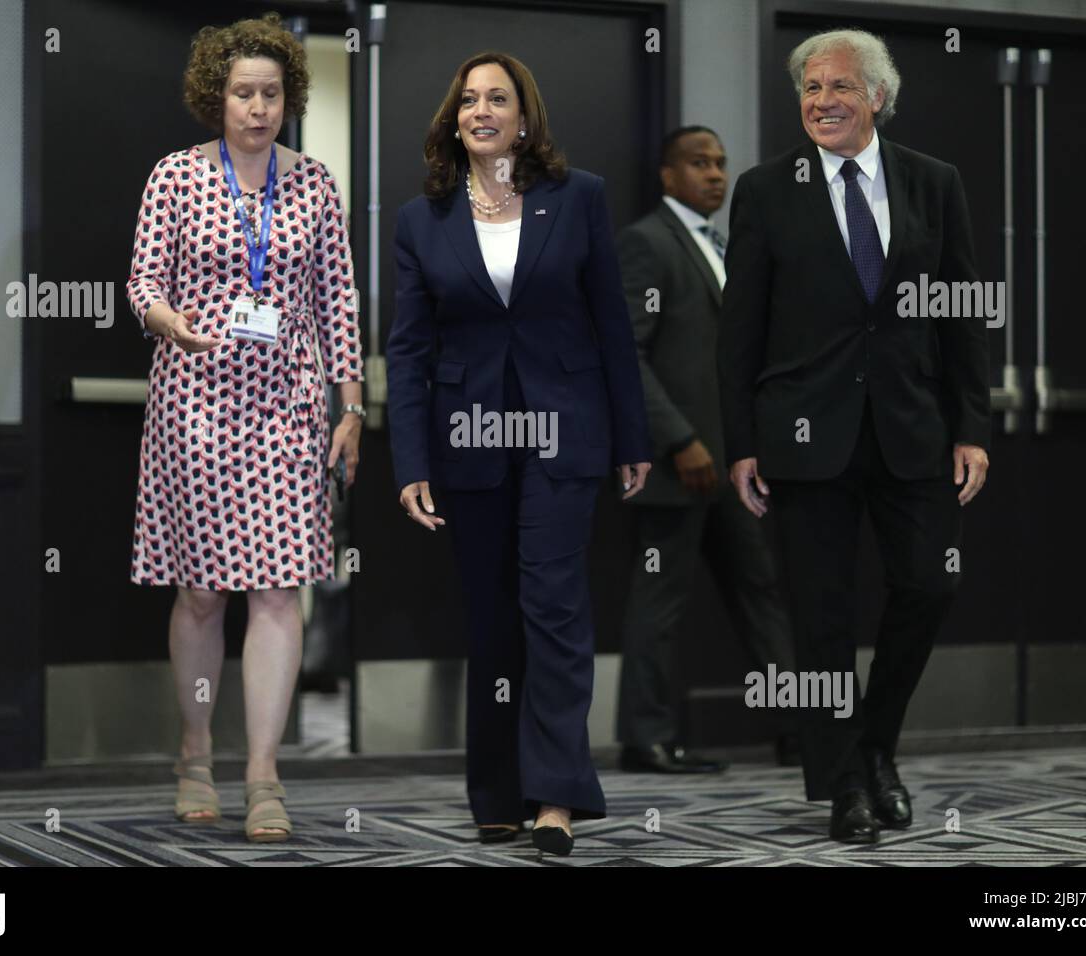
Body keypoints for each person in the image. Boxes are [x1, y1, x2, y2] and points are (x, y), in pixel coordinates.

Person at [719, 29, 990, 843]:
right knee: (823, 617)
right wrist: (741, 442)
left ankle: (875, 743)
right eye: (809, 88)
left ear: (877, 96)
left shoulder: (934, 185)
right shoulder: (766, 190)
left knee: (928, 586)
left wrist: (972, 424)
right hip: (804, 436)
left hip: (912, 427)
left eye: (839, 86)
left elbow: (962, 310)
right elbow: (741, 330)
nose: (821, 101)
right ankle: (845, 783)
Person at [386, 51, 652, 857]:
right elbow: (406, 351)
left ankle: (556, 799)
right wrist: (410, 462)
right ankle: (496, 795)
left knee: (556, 608)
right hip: (465, 438)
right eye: (467, 99)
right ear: (452, 119)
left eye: (497, 98)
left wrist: (632, 437)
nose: (481, 110)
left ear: (524, 116)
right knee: (492, 618)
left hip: (564, 430)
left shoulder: (579, 199)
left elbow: (612, 323)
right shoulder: (419, 219)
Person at [124, 13, 364, 843]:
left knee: (279, 587)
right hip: (196, 404)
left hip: (289, 409)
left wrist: (352, 405)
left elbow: (338, 300)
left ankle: (263, 771)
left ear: (288, 98)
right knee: (202, 590)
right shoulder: (177, 177)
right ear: (215, 98)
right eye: (242, 93)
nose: (257, 108)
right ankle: (195, 753)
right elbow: (141, 282)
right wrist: (168, 321)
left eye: (270, 94)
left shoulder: (316, 184)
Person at [615, 126, 798, 774]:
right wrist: (680, 440)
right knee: (659, 602)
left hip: (731, 466)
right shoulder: (646, 243)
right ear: (668, 176)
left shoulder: (722, 243)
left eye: (721, 164)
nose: (715, 175)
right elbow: (625, 357)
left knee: (762, 590)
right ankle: (646, 739)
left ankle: (798, 731)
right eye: (699, 164)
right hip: (679, 466)